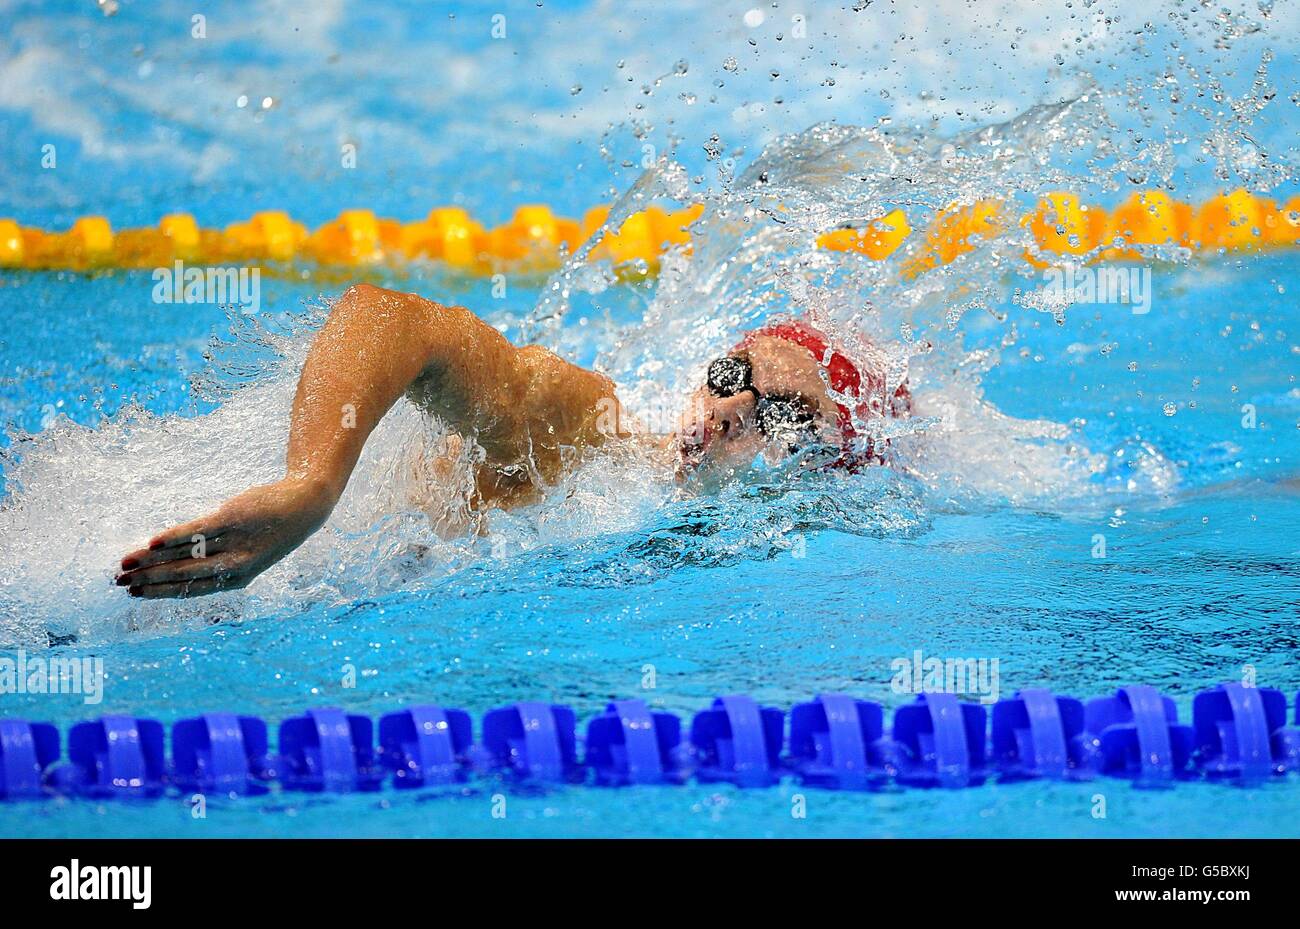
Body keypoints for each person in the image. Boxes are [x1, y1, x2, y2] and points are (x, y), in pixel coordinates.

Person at [116, 283, 910, 598]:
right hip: (212, 552)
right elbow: (391, 317)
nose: (731, 410)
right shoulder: (585, 430)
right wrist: (311, 485)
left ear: (815, 469)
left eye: (781, 418)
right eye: (733, 371)